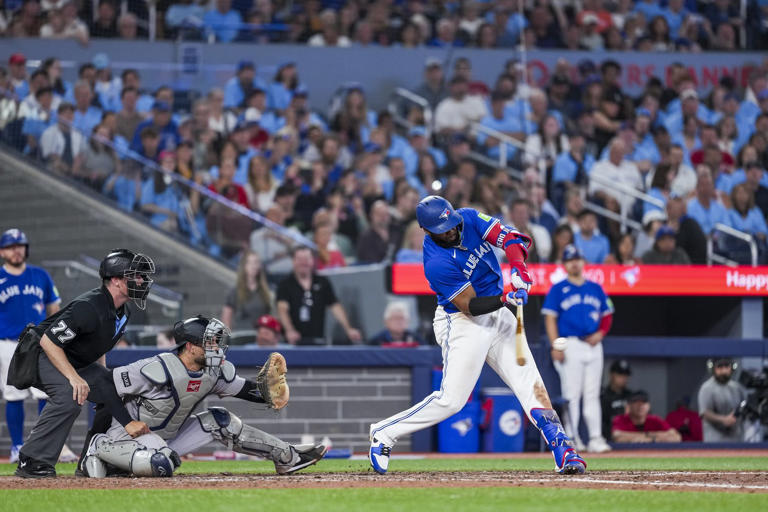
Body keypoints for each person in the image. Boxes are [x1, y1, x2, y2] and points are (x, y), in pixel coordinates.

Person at [369, 196, 587, 476]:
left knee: (529, 382)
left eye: (450, 224)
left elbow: (510, 239)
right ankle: (384, 433)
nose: (450, 231)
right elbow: (469, 306)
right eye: (442, 229)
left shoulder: (468, 218)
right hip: (461, 322)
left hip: (498, 312)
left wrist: (519, 270)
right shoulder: (436, 262)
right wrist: (507, 295)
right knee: (452, 400)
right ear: (426, 231)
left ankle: (563, 448)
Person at [78, 315, 326, 477]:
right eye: (210, 343)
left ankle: (287, 457)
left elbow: (243, 389)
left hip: (165, 440)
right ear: (190, 346)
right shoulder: (157, 367)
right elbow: (104, 384)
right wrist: (124, 423)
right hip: (126, 437)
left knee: (221, 421)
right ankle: (99, 448)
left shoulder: (212, 372)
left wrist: (268, 393)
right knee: (161, 464)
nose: (217, 348)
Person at [14, 249, 154, 478]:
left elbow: (99, 347)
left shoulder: (123, 311)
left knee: (112, 388)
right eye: (136, 275)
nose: (142, 280)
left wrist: (105, 384)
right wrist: (74, 377)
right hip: (38, 354)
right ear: (117, 280)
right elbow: (49, 341)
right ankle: (32, 460)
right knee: (70, 393)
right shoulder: (89, 306)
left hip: (70, 358)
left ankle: (91, 460)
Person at [0, 229, 67, 463]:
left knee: (44, 393)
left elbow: (54, 309)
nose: (16, 250)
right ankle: (18, 446)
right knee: (14, 395)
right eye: (11, 246)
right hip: (8, 343)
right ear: (2, 251)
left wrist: (56, 338)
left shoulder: (40, 275)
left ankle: (41, 443)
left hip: (40, 343)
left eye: (20, 245)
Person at [543, 245, 614, 453]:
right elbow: (550, 319)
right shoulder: (558, 289)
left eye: (577, 258)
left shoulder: (595, 288)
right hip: (570, 343)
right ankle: (572, 438)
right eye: (570, 259)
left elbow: (607, 314)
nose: (574, 262)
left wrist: (601, 333)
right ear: (564, 264)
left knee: (592, 394)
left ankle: (595, 438)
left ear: (583, 262)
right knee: (571, 394)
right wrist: (556, 344)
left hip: (593, 345)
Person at [276, 247, 362, 346]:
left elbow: (335, 306)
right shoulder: (285, 284)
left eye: (307, 259)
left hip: (318, 340)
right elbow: (282, 309)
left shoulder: (322, 282)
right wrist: (290, 330)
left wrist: (348, 329)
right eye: (300, 259)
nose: (303, 263)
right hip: (293, 342)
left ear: (312, 261)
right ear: (293, 261)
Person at [220, 250, 272, 331]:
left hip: (261, 338)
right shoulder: (234, 292)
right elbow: (226, 318)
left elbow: (269, 316)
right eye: (249, 263)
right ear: (244, 266)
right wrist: (228, 339)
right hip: (242, 337)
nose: (253, 266)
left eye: (256, 262)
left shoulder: (265, 291)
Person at [698, 358, 747, 442]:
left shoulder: (736, 387)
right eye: (720, 367)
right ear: (713, 369)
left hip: (735, 437)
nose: (724, 371)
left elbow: (744, 405)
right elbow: (705, 413)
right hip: (715, 439)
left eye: (726, 367)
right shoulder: (707, 388)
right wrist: (724, 420)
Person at [611, 390, 682, 443]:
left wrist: (649, 438)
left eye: (643, 403)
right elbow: (617, 437)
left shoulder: (655, 420)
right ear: (629, 406)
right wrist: (657, 437)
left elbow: (676, 437)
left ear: (649, 406)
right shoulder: (621, 419)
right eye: (636, 403)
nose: (640, 406)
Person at [600, 359, 633, 441]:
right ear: (612, 375)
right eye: (620, 374)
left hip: (630, 436)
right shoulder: (604, 396)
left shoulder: (631, 396)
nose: (624, 378)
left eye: (626, 375)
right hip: (610, 438)